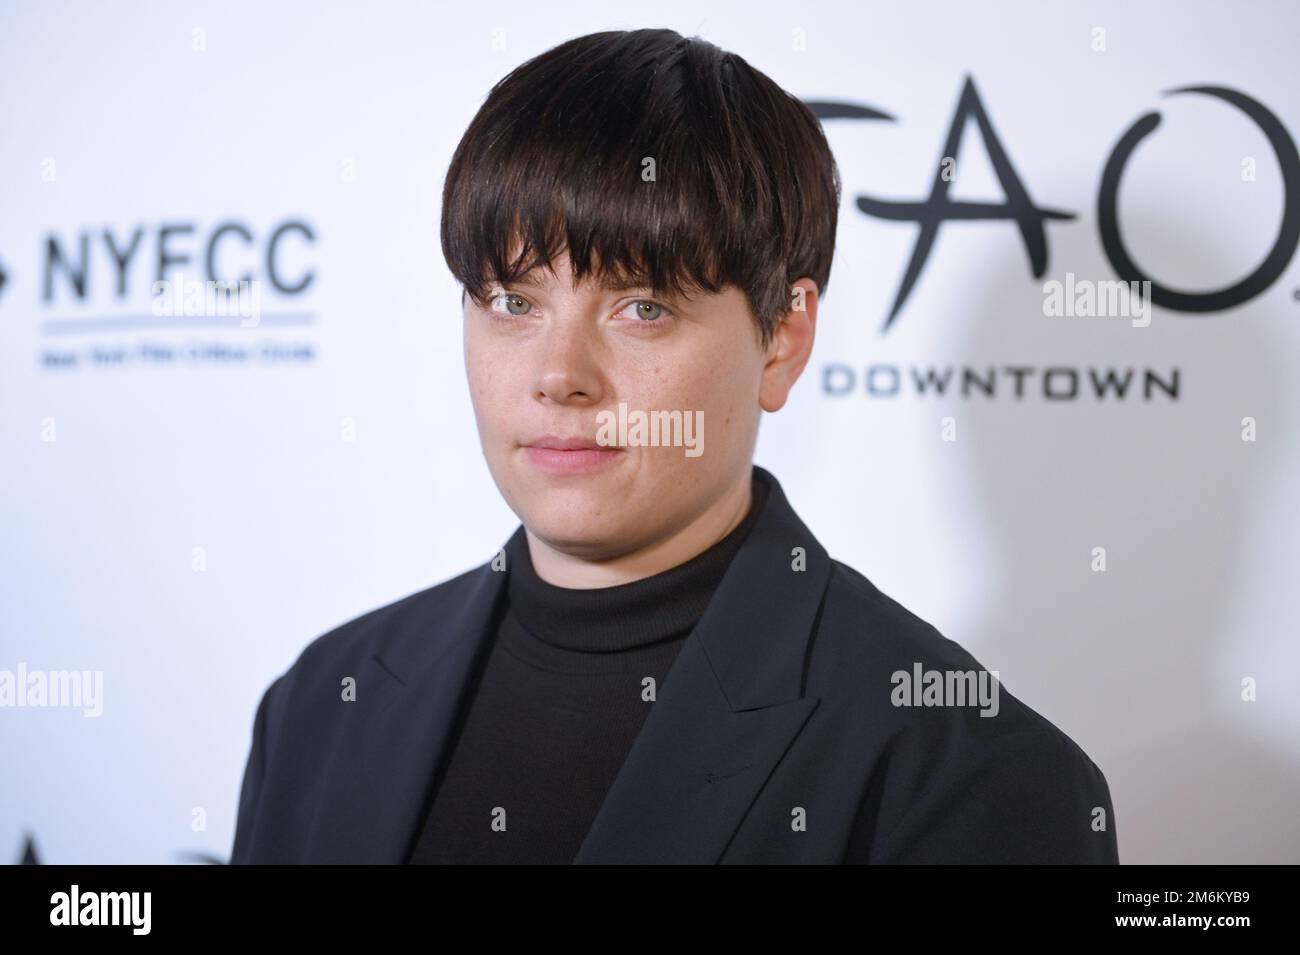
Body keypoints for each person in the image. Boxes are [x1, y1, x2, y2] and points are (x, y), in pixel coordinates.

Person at [230, 28, 1119, 864]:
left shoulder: (975, 777)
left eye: (642, 307)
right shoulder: (319, 707)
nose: (558, 375)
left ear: (782, 337)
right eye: (512, 302)